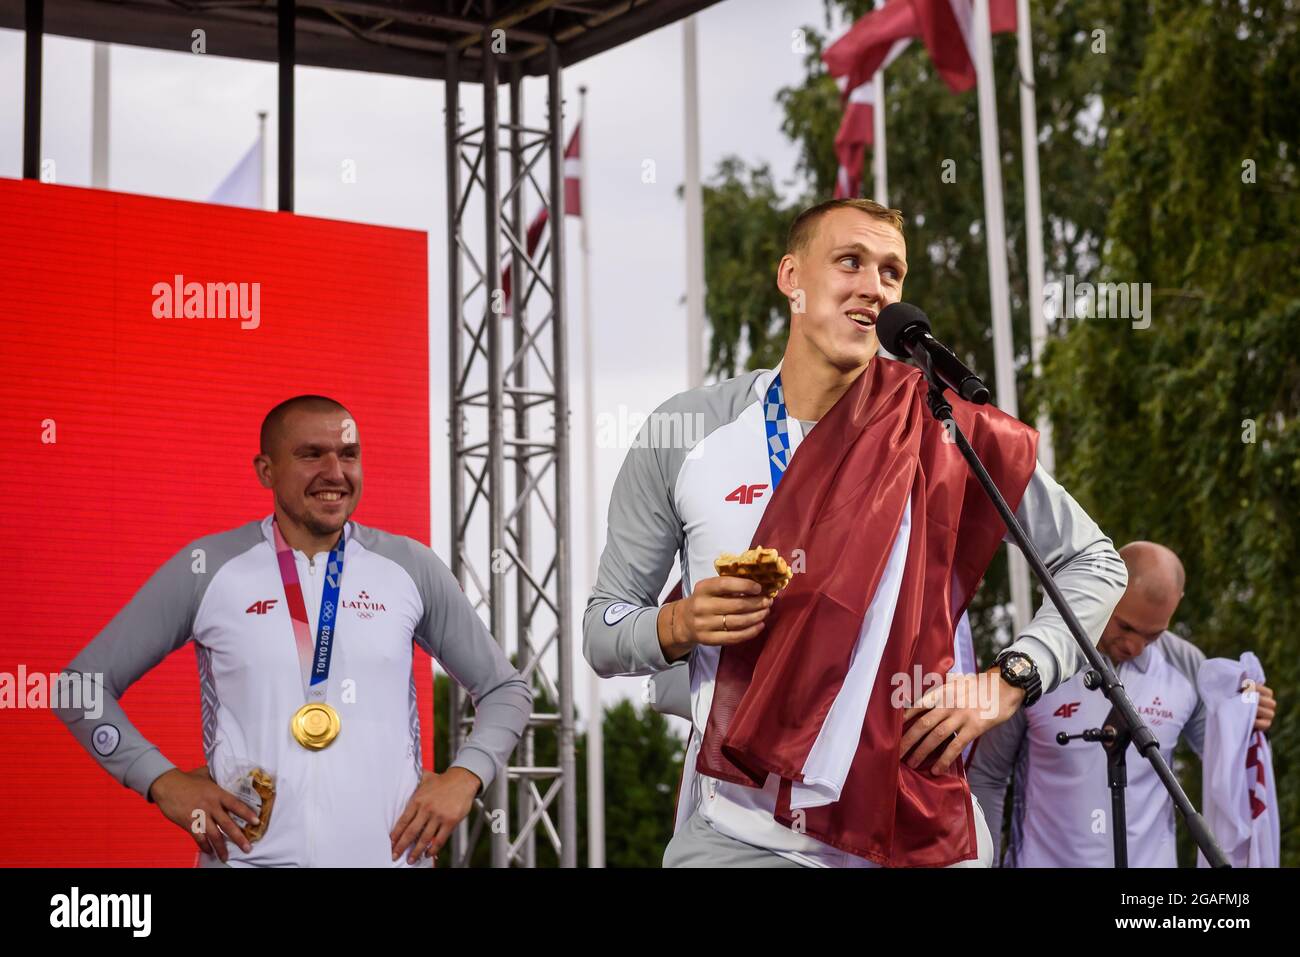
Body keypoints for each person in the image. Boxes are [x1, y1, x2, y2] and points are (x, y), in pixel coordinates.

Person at [584, 198, 1129, 868]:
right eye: (850, 261)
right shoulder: (690, 430)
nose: (874, 286)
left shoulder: (940, 424)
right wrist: (679, 624)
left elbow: (1095, 561)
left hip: (916, 827)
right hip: (739, 833)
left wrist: (1012, 677)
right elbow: (604, 631)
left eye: (892, 272)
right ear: (792, 277)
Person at [54, 395, 531, 867]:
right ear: (266, 470)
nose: (335, 472)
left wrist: (466, 776)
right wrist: (161, 781)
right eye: (311, 454)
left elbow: (505, 689)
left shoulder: (409, 566)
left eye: (348, 455)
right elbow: (80, 688)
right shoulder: (208, 568)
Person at [968, 541, 1278, 867]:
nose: (1134, 645)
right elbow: (987, 775)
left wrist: (1248, 722)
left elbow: (1223, 760)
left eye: (1153, 635)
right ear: (1105, 587)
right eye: (1125, 626)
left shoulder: (1186, 664)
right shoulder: (1036, 661)